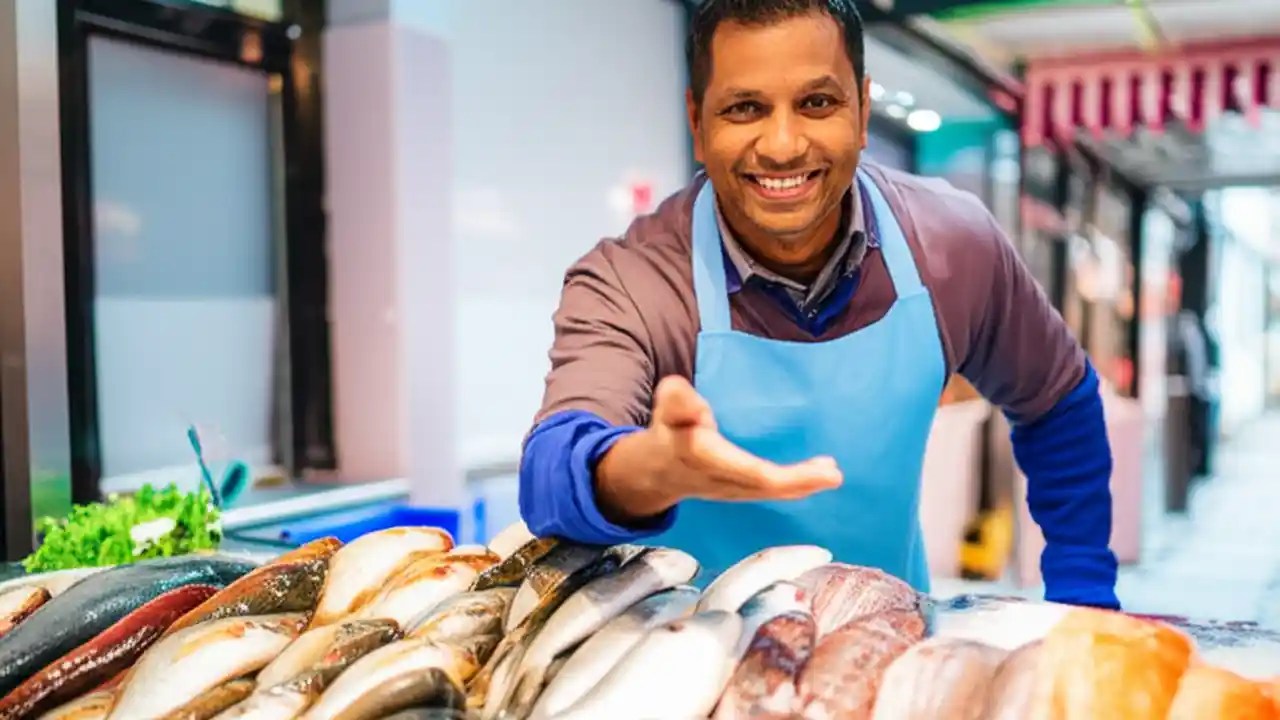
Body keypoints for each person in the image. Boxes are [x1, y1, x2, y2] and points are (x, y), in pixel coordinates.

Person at [518, 0, 1119, 608]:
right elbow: (549, 474)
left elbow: (1059, 402)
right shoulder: (633, 281)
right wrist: (648, 471)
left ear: (861, 112)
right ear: (698, 125)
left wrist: (1083, 590)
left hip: (885, 644)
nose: (782, 146)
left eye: (817, 103)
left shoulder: (952, 248)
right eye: (745, 108)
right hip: (690, 659)